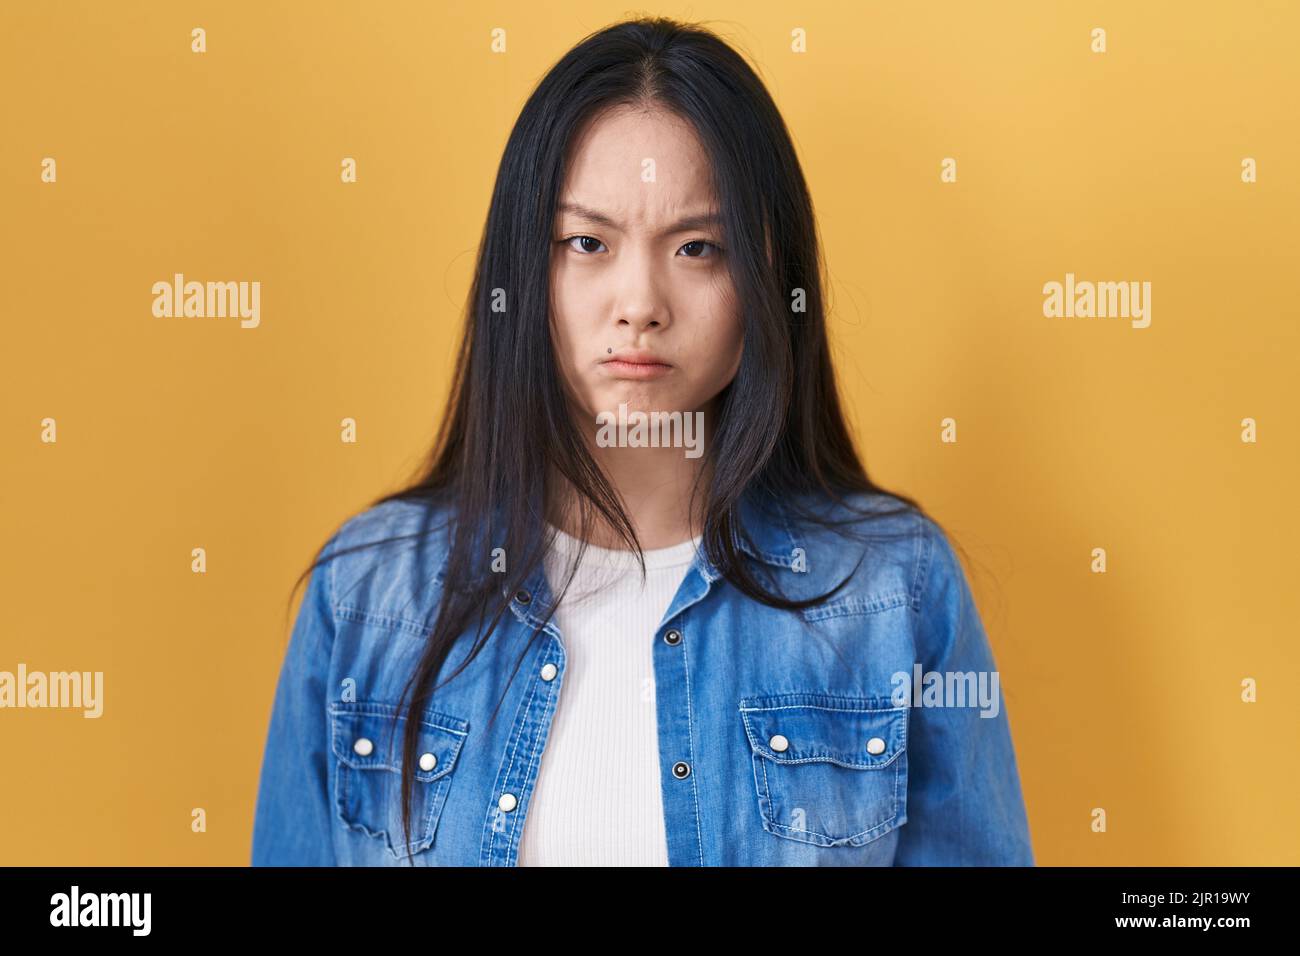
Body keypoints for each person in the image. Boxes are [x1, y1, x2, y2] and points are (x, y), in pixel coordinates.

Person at [251, 15, 1033, 867]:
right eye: (587, 243)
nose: (640, 303)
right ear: (524, 269)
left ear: (768, 281)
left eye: (698, 248)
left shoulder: (893, 592)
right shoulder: (366, 596)